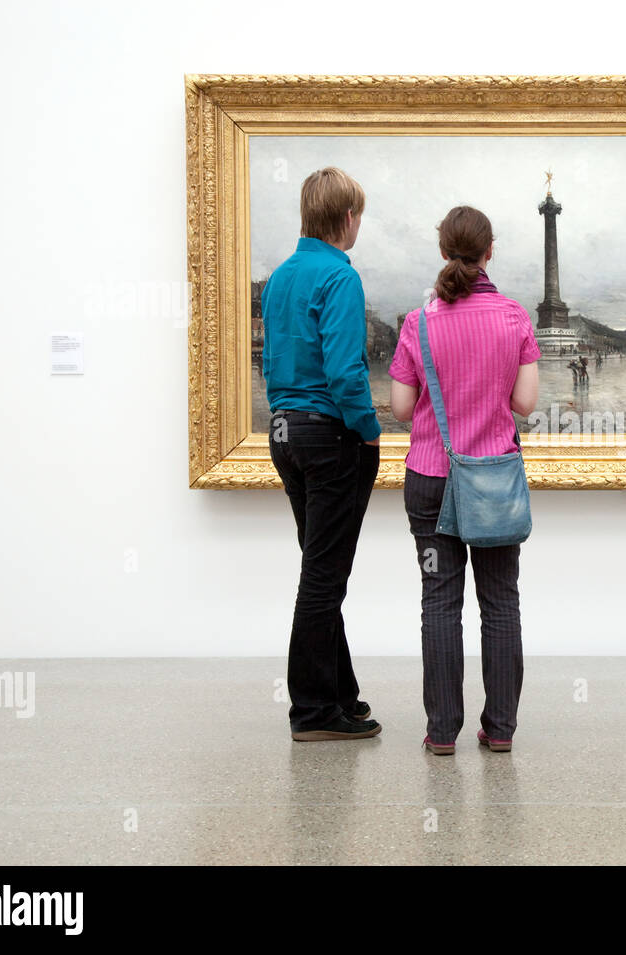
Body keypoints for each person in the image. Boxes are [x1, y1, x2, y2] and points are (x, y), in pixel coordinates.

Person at [388, 205, 540, 756]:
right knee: (500, 603)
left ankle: (442, 731)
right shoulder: (515, 318)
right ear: (490, 252)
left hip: (432, 477)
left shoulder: (418, 322)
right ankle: (500, 729)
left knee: (439, 604)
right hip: (493, 481)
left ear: (443, 251)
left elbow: (401, 409)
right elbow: (524, 403)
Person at [264, 167, 383, 742]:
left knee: (319, 568)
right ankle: (312, 712)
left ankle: (340, 694)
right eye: (358, 213)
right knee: (323, 578)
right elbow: (345, 371)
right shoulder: (340, 277)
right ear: (346, 218)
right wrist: (369, 433)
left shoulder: (282, 277)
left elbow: (273, 362)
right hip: (330, 436)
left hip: (284, 432)